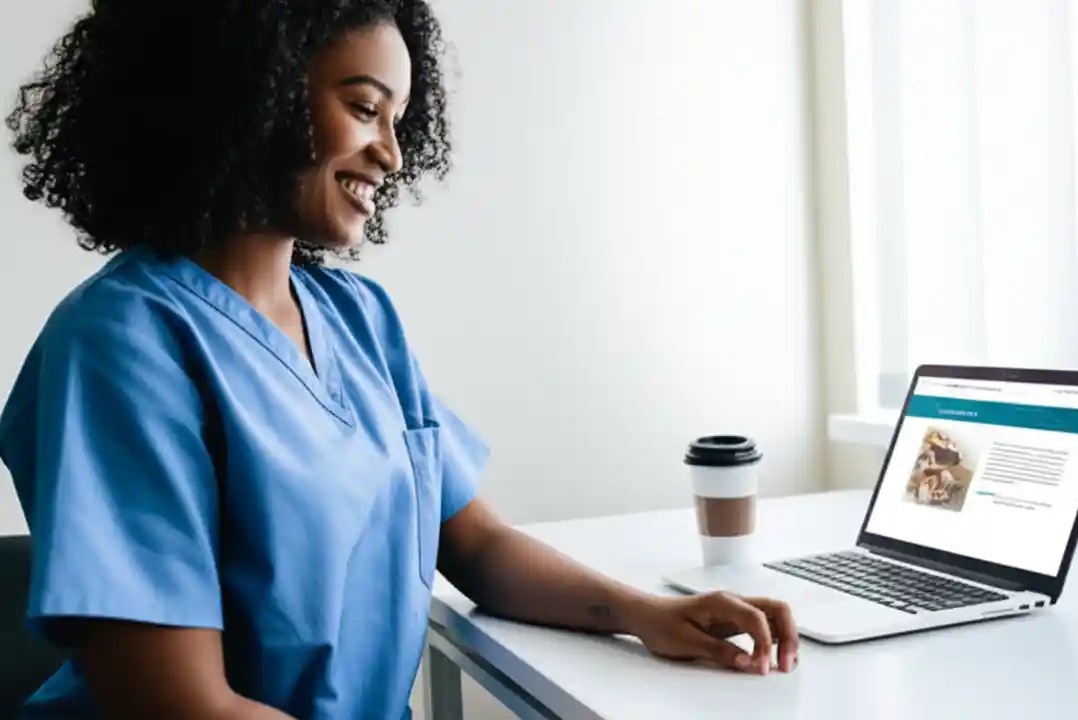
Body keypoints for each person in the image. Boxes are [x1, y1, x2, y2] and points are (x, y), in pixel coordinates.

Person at [0, 1, 798, 717]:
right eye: (364, 108)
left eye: (399, 119)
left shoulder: (359, 318)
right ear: (247, 95)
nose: (392, 154)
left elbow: (478, 545)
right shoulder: (121, 343)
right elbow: (177, 704)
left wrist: (644, 614)